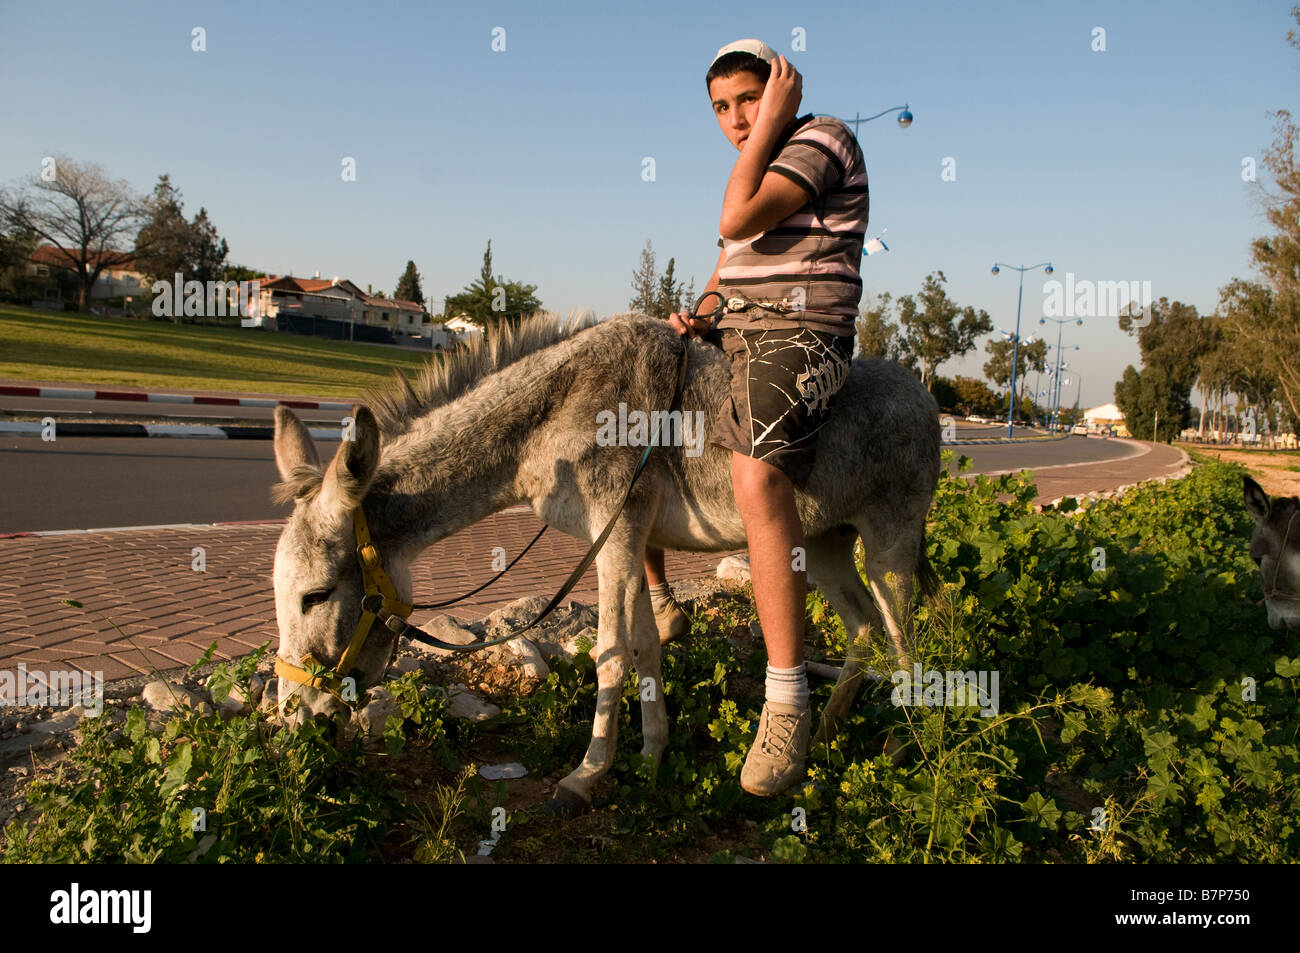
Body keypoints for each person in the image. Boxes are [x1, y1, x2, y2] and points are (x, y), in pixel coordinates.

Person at [649, 38, 870, 796]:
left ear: (782, 88)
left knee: (755, 470)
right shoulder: (767, 162)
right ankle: (656, 601)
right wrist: (698, 316)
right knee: (633, 423)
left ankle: (787, 702)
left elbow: (737, 218)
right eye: (722, 109)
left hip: (804, 338)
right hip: (739, 334)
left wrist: (777, 117)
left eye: (749, 99)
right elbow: (728, 268)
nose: (737, 120)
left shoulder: (822, 139)